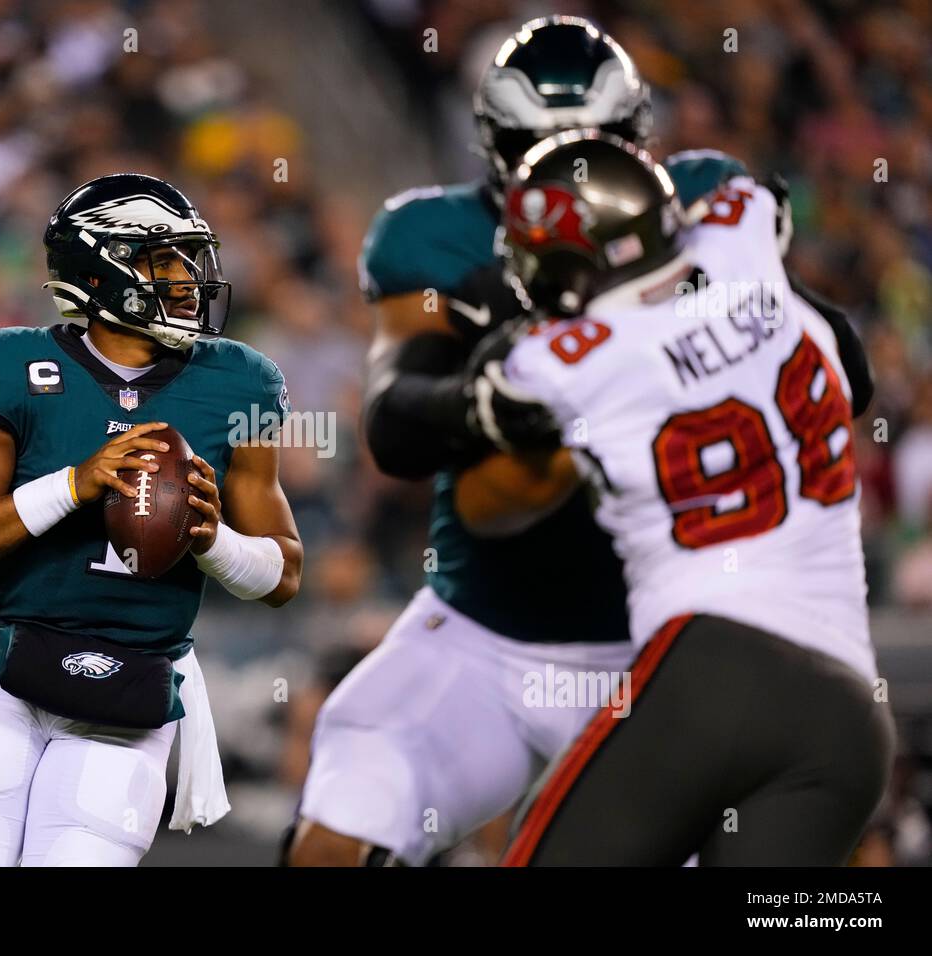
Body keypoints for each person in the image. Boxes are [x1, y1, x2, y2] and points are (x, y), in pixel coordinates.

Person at [292, 14, 756, 868]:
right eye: (539, 153)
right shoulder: (438, 239)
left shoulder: (709, 207)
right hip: (488, 634)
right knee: (337, 834)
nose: (569, 181)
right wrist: (497, 400)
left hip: (669, 645)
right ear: (496, 152)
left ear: (639, 142)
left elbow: (819, 362)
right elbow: (398, 422)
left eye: (594, 150)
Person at [454, 131, 892, 865]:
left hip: (721, 666)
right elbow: (755, 203)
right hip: (849, 720)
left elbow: (492, 399)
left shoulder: (563, 361)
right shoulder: (740, 236)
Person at [0, 173, 302, 866]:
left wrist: (211, 541)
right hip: (7, 680)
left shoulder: (239, 382)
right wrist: (74, 484)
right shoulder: (10, 364)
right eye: (163, 261)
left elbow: (282, 574)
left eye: (189, 259)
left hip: (132, 690)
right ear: (102, 270)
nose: (188, 279)